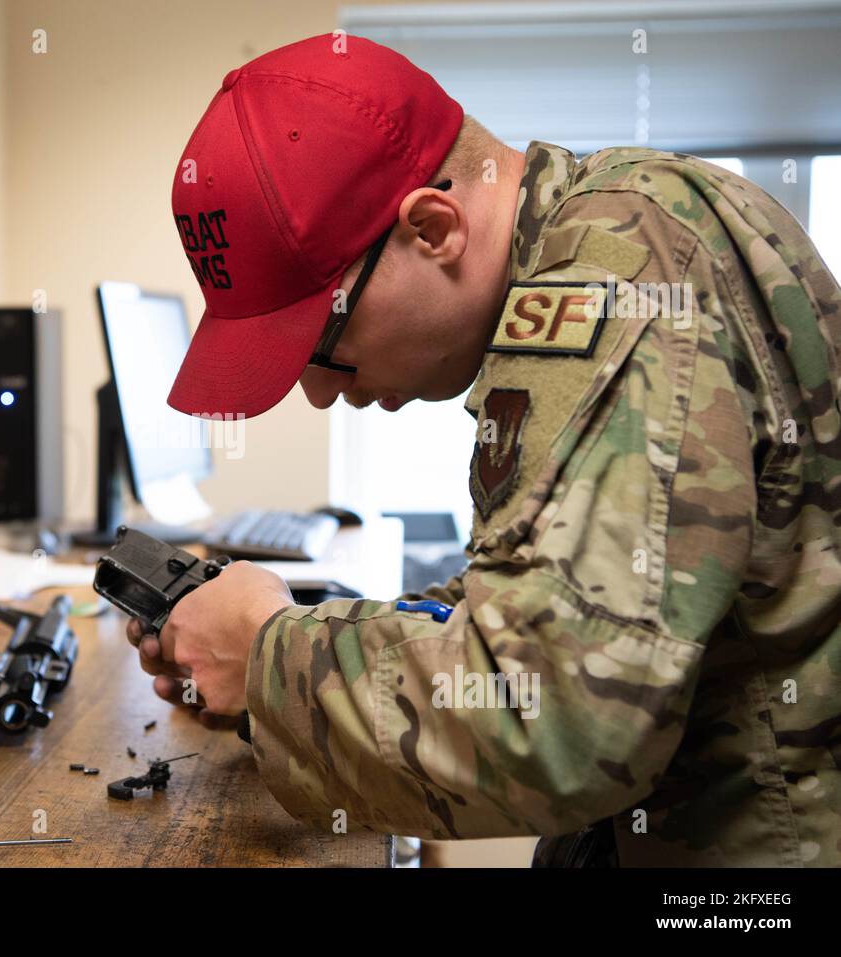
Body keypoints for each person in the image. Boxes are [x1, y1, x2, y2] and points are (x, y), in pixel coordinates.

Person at [127, 32, 841, 866]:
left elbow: (557, 721)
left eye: (320, 339)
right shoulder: (617, 227)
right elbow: (532, 596)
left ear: (434, 229)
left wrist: (268, 658)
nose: (317, 392)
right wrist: (280, 658)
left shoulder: (615, 274)